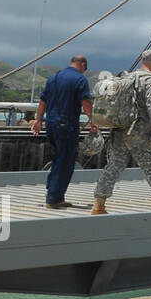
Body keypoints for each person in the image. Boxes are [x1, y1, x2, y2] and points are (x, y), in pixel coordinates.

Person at [91, 50, 151, 213]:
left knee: (113, 167)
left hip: (119, 130)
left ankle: (99, 204)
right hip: (140, 133)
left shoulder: (126, 78)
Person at [32, 54, 96, 208]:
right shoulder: (80, 80)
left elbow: (43, 101)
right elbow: (85, 102)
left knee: (56, 159)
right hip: (66, 126)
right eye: (85, 69)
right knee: (65, 161)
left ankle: (53, 193)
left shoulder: (53, 78)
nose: (84, 72)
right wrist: (94, 121)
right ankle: (53, 199)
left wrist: (38, 120)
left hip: (51, 125)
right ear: (82, 65)